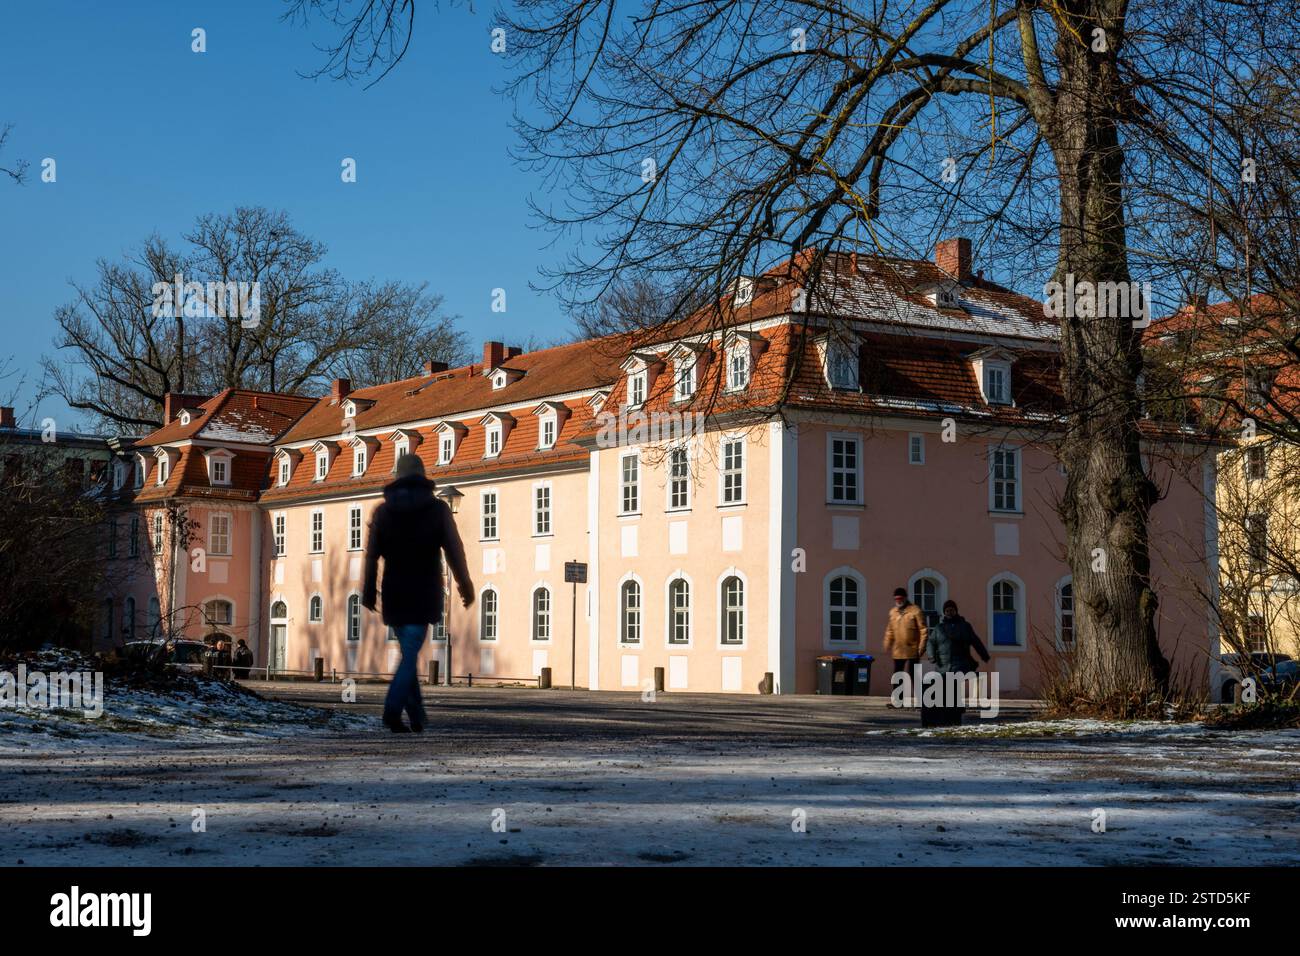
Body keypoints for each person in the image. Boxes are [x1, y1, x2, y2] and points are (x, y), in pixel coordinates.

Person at [363, 453, 474, 733]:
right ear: (422, 476)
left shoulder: (383, 511)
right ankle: (392, 709)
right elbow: (454, 550)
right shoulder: (436, 509)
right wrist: (464, 584)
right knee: (410, 654)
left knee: (408, 652)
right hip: (424, 590)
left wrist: (367, 589)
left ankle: (415, 716)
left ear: (398, 477)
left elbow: (371, 555)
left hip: (394, 592)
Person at [925, 600, 991, 726]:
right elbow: (930, 642)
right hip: (943, 665)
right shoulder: (939, 628)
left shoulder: (964, 626)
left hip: (960, 662)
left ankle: (955, 713)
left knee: (953, 684)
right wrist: (931, 656)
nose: (950, 612)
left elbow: (975, 641)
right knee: (944, 688)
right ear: (944, 612)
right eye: (947, 610)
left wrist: (984, 655)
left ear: (956, 611)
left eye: (952, 610)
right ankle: (948, 713)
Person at [883, 587, 927, 706]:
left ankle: (922, 700)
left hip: (913, 649)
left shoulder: (915, 610)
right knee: (897, 676)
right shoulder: (893, 612)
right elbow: (890, 630)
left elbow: (923, 630)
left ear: (905, 598)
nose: (898, 601)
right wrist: (887, 643)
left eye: (900, 598)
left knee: (914, 675)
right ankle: (898, 701)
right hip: (898, 649)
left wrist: (921, 648)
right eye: (896, 599)